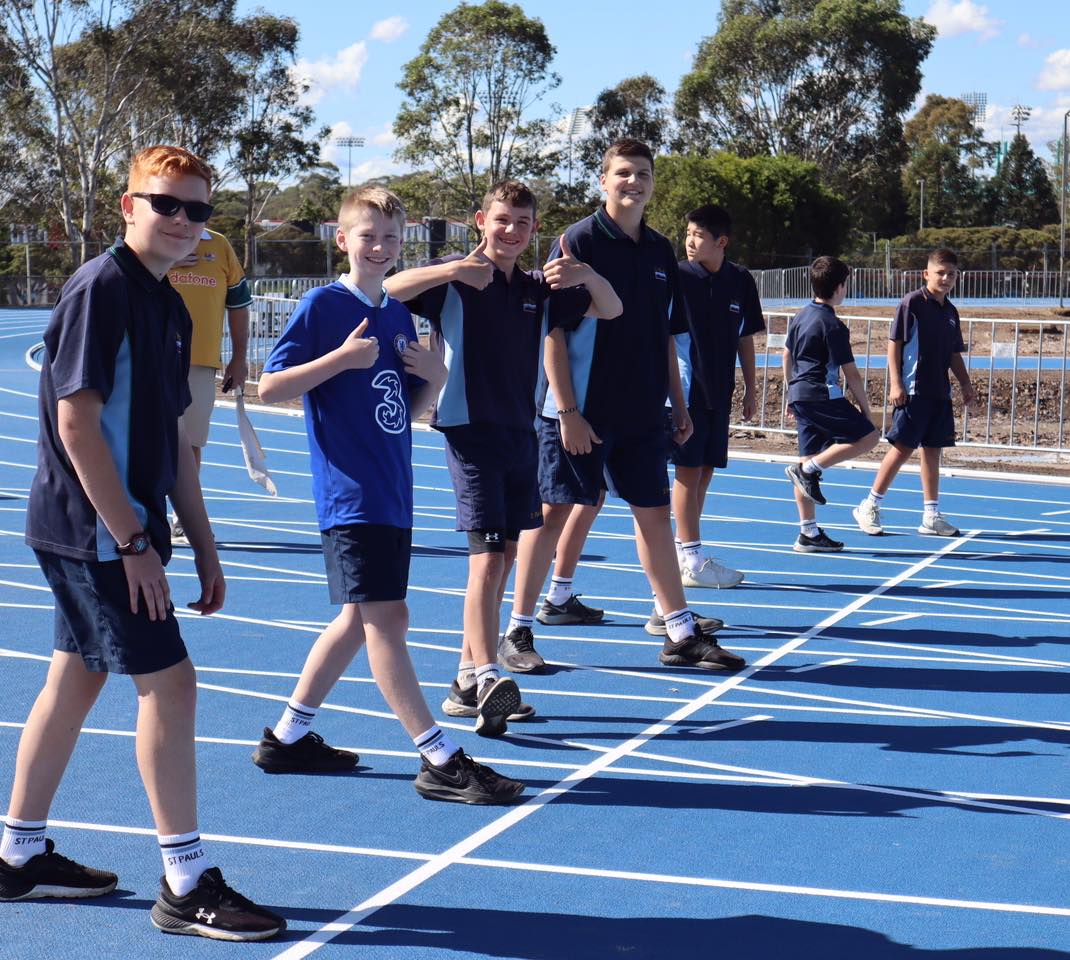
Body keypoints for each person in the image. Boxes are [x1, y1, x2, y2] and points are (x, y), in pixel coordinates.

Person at [0, 145, 284, 941]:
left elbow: (167, 443)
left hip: (119, 527)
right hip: (96, 529)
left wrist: (202, 541)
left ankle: (18, 857)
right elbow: (77, 423)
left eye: (199, 210)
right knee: (172, 684)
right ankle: (186, 882)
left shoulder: (166, 301)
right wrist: (131, 541)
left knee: (77, 681)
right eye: (168, 204)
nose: (184, 222)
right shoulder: (103, 288)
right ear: (128, 206)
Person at [249, 186, 523, 804]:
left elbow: (411, 409)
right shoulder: (322, 306)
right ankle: (438, 754)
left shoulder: (400, 316)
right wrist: (341, 360)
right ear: (342, 239)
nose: (380, 247)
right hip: (351, 494)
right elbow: (269, 387)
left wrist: (435, 379)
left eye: (391, 239)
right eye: (368, 236)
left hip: (392, 490)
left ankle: (288, 736)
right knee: (387, 620)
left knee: (354, 619)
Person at [383, 181, 621, 725]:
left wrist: (587, 274)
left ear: (535, 229)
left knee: (508, 558)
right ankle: (489, 675)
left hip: (521, 434)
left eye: (521, 222)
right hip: (470, 434)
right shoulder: (457, 278)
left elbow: (612, 308)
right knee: (488, 559)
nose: (511, 231)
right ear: (479, 221)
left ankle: (467, 679)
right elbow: (388, 287)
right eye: (501, 220)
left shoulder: (540, 287)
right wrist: (449, 271)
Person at [508, 138, 744, 672]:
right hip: (582, 412)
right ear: (603, 180)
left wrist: (677, 403)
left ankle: (680, 632)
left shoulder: (662, 250)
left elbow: (664, 333)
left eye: (642, 173)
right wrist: (567, 412)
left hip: (641, 411)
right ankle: (518, 631)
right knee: (552, 515)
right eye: (623, 173)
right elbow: (554, 334)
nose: (633, 181)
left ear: (653, 182)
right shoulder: (578, 240)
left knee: (655, 516)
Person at [668, 203, 763, 590]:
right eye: (688, 233)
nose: (690, 242)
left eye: (699, 236)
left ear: (721, 241)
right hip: (686, 390)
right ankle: (690, 557)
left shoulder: (740, 280)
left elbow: (745, 337)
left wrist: (751, 387)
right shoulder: (676, 277)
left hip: (719, 390)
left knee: (705, 471)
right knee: (687, 472)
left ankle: (685, 551)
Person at [853, 248, 976, 537]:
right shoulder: (912, 303)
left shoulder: (951, 311)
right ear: (926, 274)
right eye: (940, 273)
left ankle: (931, 515)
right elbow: (894, 343)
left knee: (933, 451)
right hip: (913, 391)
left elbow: (954, 353)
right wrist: (896, 384)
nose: (946, 278)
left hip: (939, 393)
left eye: (951, 274)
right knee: (903, 447)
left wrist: (965, 383)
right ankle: (869, 505)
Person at [783, 256, 879, 552]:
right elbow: (851, 373)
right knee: (869, 436)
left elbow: (786, 356)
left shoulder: (800, 315)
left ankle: (808, 533)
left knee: (805, 458)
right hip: (820, 393)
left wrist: (790, 394)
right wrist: (867, 411)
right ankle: (810, 469)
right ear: (840, 287)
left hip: (800, 393)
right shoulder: (833, 324)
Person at [167, 228, 251, 543]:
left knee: (190, 444)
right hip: (148, 361)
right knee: (143, 441)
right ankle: (140, 515)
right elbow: (122, 284)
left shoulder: (219, 244)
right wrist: (165, 262)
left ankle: (182, 519)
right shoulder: (150, 239)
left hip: (200, 362)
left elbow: (239, 304)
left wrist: (239, 358)